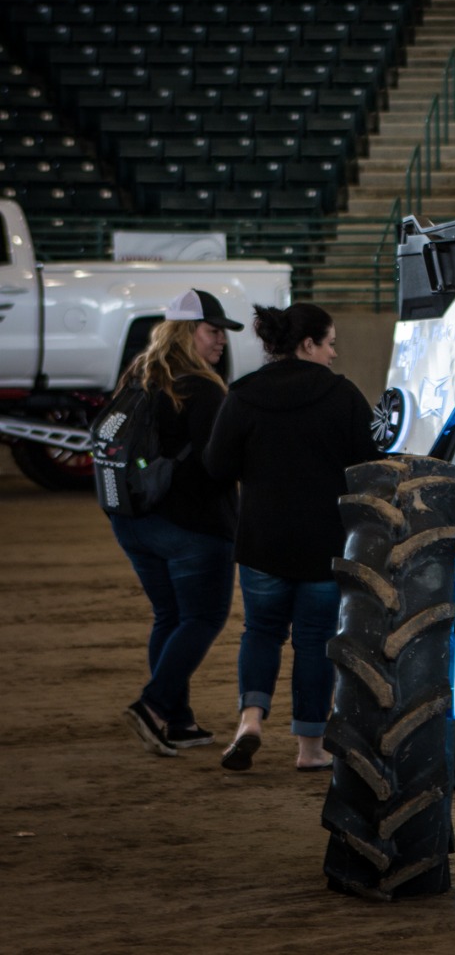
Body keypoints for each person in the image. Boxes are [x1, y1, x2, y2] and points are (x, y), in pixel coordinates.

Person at [204, 303, 381, 772]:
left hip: (262, 539)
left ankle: (250, 720)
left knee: (260, 631)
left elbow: (216, 467)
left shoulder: (242, 394)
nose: (334, 353)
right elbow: (368, 464)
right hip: (323, 543)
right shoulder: (342, 396)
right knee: (314, 640)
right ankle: (309, 747)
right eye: (329, 343)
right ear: (308, 345)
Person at [110, 289, 241, 758]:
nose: (221, 341)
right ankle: (154, 705)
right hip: (192, 528)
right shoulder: (202, 388)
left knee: (170, 617)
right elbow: (215, 464)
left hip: (135, 520)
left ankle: (178, 721)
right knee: (203, 617)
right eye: (213, 331)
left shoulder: (138, 376)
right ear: (188, 332)